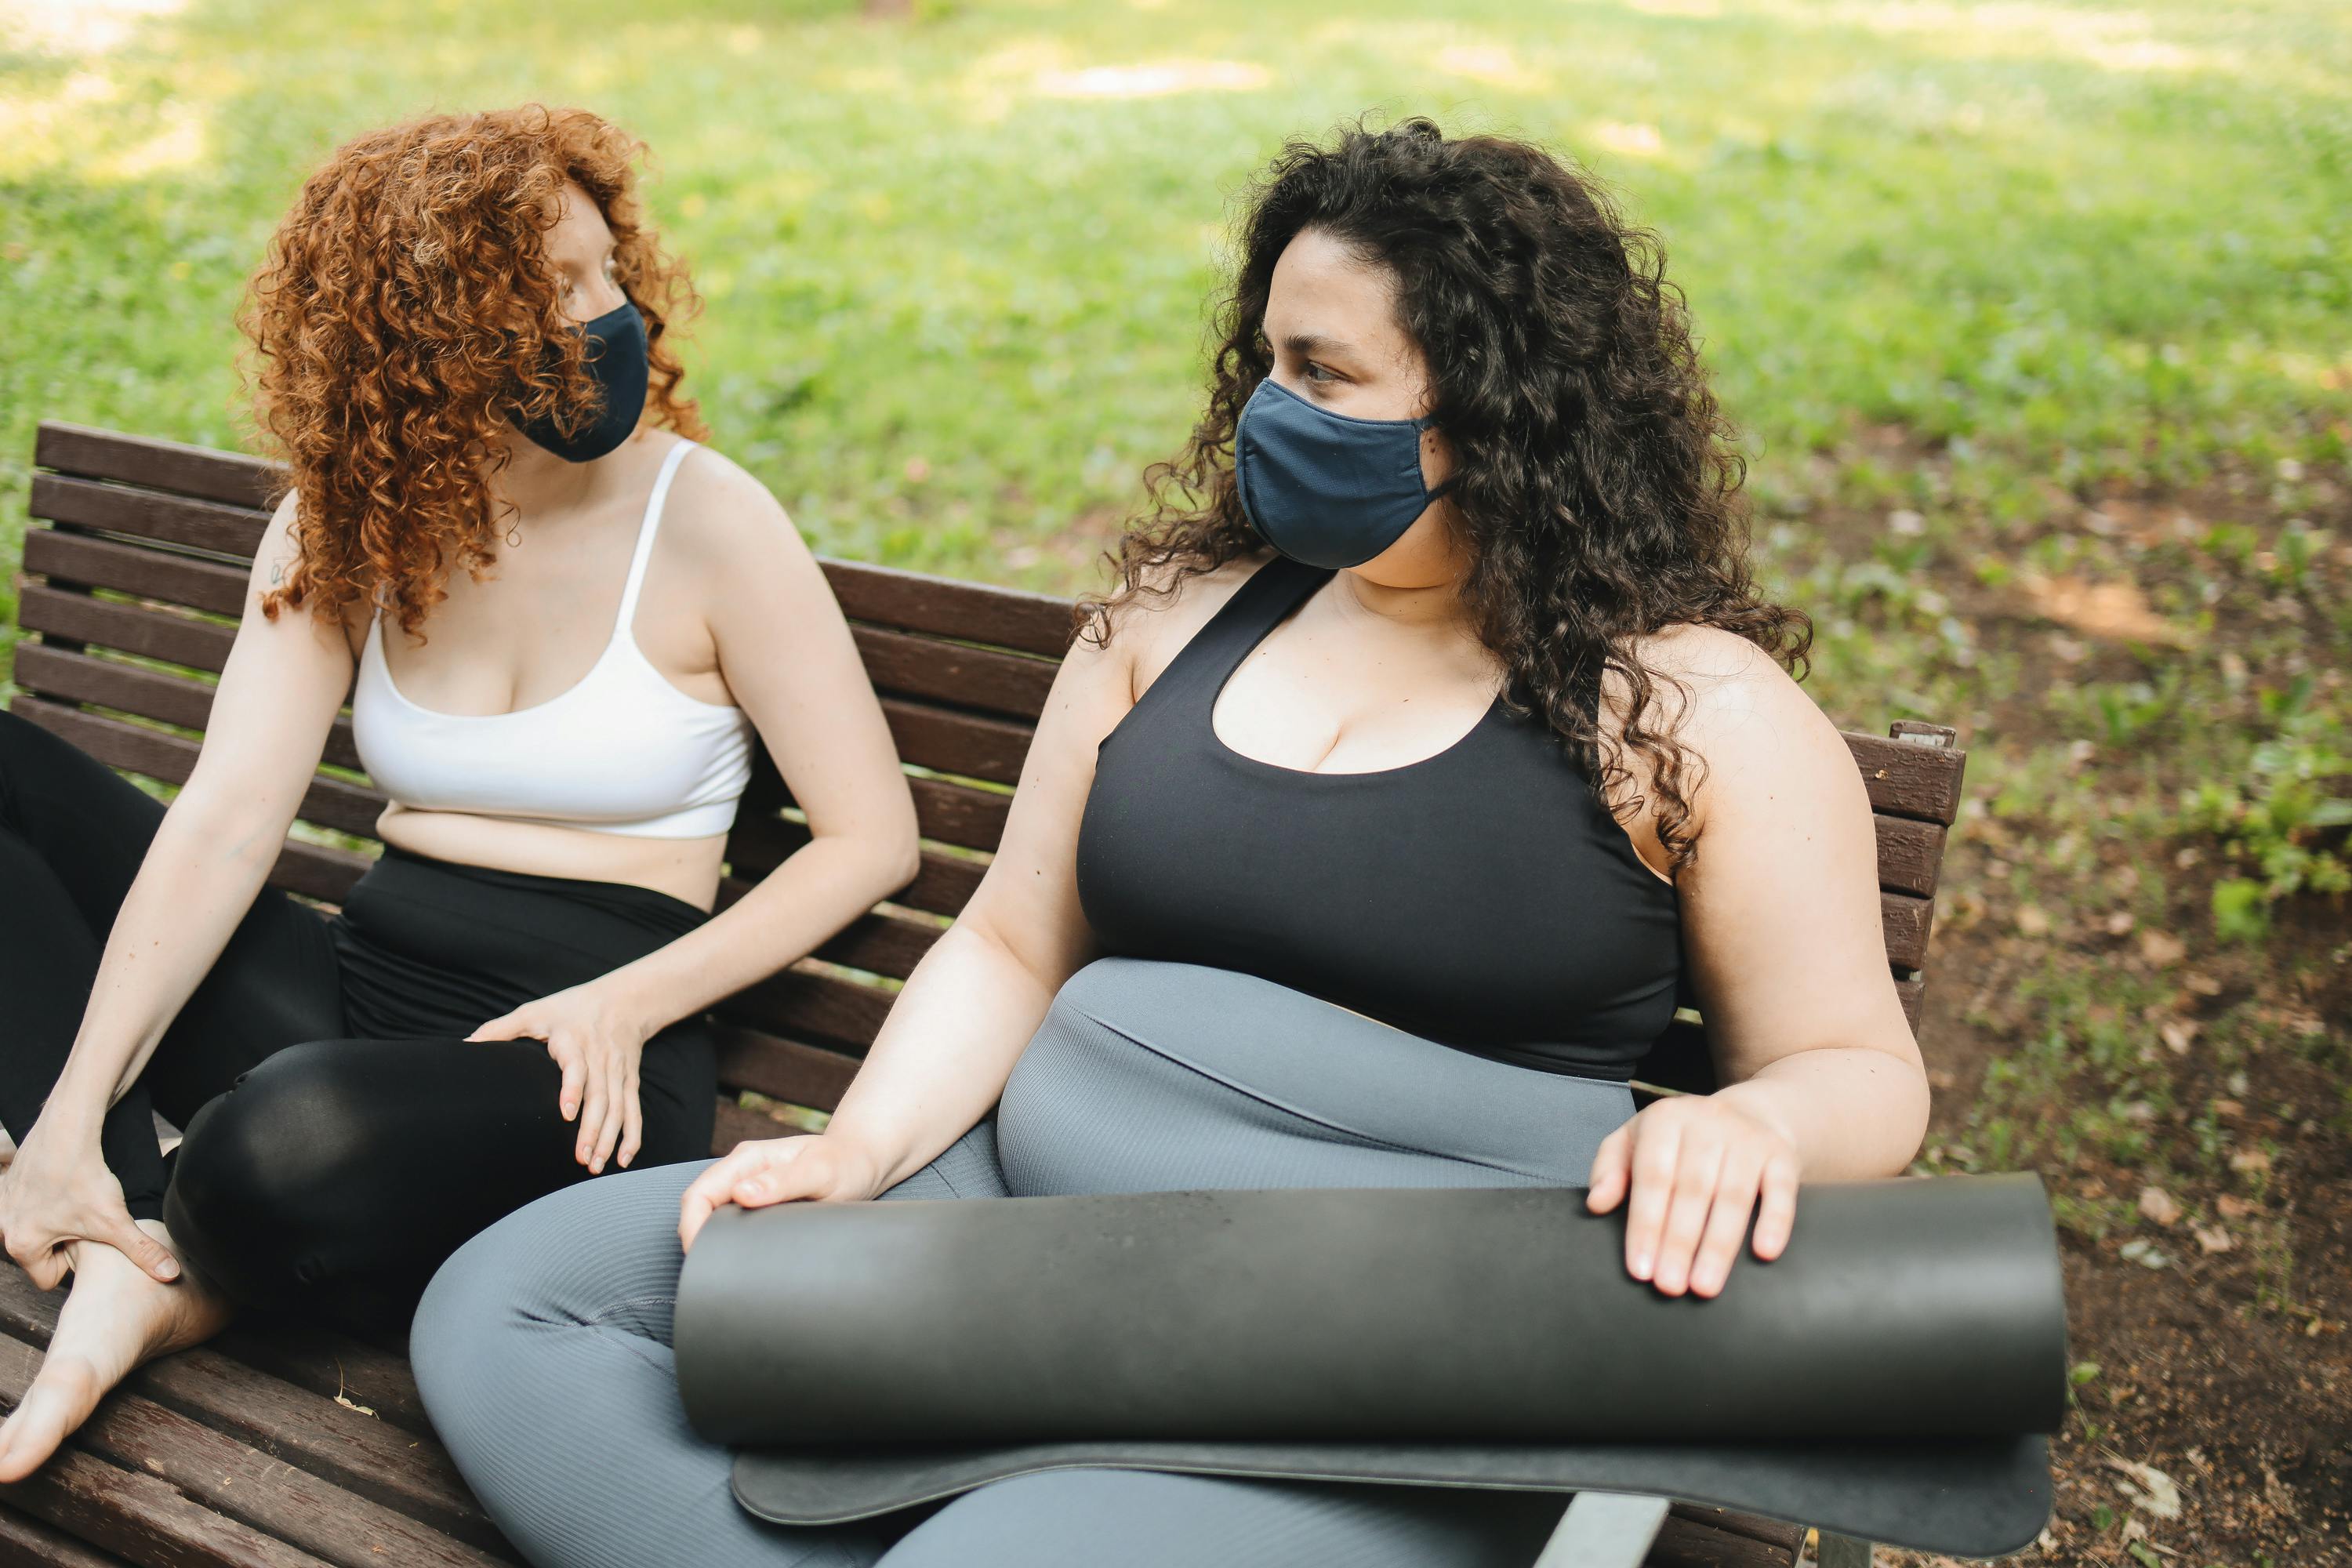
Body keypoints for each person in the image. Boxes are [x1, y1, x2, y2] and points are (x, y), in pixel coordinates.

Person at [407, 117, 1933, 1567]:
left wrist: (1755, 1127)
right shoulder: (1172, 621)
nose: (1268, 405)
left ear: (1494, 403)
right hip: (1009, 1229)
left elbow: (1860, 1070)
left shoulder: (1692, 713)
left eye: (1323, 374)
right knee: (502, 1306)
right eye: (1265, 357)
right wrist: (860, 1153)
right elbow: (1013, 940)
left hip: (1377, 1364)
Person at [0, 104, 919, 1483]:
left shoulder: (710, 518)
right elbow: (227, 818)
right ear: (436, 330)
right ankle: (123, 1210)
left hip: (586, 1059)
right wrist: (68, 1118)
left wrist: (631, 1001)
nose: (608, 314)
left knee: (282, 1140)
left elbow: (872, 839)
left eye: (610, 271)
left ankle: (179, 1244)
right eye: (555, 291)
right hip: (368, 982)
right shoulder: (350, 516)